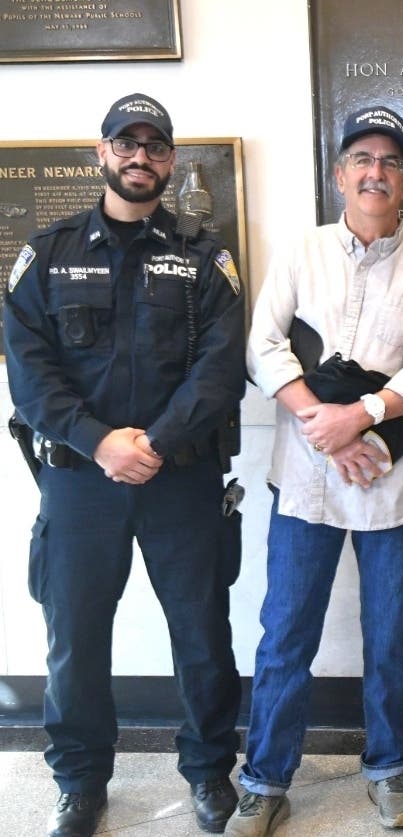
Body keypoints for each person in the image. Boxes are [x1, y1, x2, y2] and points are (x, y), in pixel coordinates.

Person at [3, 94, 245, 837]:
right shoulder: (48, 254)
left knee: (202, 632)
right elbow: (30, 369)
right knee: (75, 639)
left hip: (183, 479)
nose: (141, 156)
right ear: (100, 153)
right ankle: (80, 783)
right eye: (126, 142)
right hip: (79, 481)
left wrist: (155, 444)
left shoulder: (206, 256)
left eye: (156, 145)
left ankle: (208, 773)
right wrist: (102, 441)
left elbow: (219, 370)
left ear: (172, 160)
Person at [228, 105, 403, 837]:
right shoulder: (301, 253)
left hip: (396, 483)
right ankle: (266, 777)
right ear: (339, 174)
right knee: (286, 631)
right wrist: (323, 428)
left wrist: (356, 416)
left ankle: (389, 768)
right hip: (304, 482)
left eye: (390, 162)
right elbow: (264, 348)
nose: (375, 172)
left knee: (391, 633)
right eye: (362, 158)